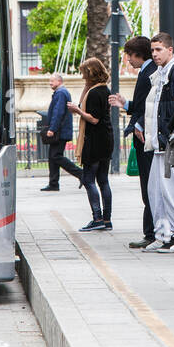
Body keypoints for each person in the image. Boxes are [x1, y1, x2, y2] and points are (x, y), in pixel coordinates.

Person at [141, 33, 174, 252]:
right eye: (153, 50)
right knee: (157, 192)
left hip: (171, 141)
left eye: (159, 49)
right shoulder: (161, 73)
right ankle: (164, 234)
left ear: (170, 50)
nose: (155, 54)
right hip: (159, 142)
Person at [109, 36, 157, 249]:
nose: (128, 60)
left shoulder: (149, 73)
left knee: (149, 186)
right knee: (148, 186)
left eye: (129, 55)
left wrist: (138, 124)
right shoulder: (146, 72)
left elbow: (149, 107)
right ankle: (151, 232)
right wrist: (125, 104)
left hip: (145, 137)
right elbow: (141, 105)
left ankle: (151, 233)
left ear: (139, 54)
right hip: (143, 134)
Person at [69, 57, 113, 231]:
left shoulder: (95, 93)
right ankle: (107, 219)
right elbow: (82, 103)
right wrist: (85, 89)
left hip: (95, 140)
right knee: (103, 179)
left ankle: (97, 218)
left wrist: (77, 111)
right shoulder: (102, 89)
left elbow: (93, 119)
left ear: (91, 74)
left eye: (84, 74)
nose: (82, 78)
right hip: (106, 138)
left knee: (88, 179)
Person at [40, 72, 83, 192]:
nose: (50, 83)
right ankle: (53, 183)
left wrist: (52, 129)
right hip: (60, 131)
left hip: (59, 131)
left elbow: (58, 113)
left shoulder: (61, 93)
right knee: (52, 157)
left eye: (52, 81)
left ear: (59, 81)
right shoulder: (60, 93)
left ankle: (80, 173)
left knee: (56, 156)